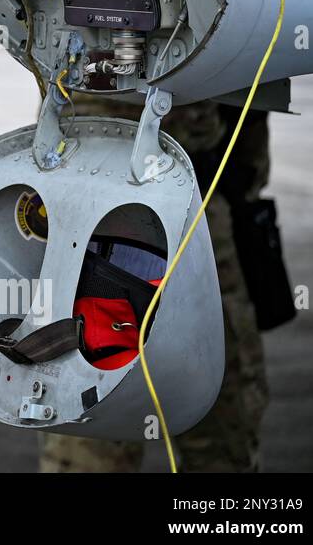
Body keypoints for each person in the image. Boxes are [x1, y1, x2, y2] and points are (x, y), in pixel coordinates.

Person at [38, 96, 273, 472]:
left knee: (91, 414)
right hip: (176, 210)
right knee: (211, 411)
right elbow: (251, 113)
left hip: (95, 212)